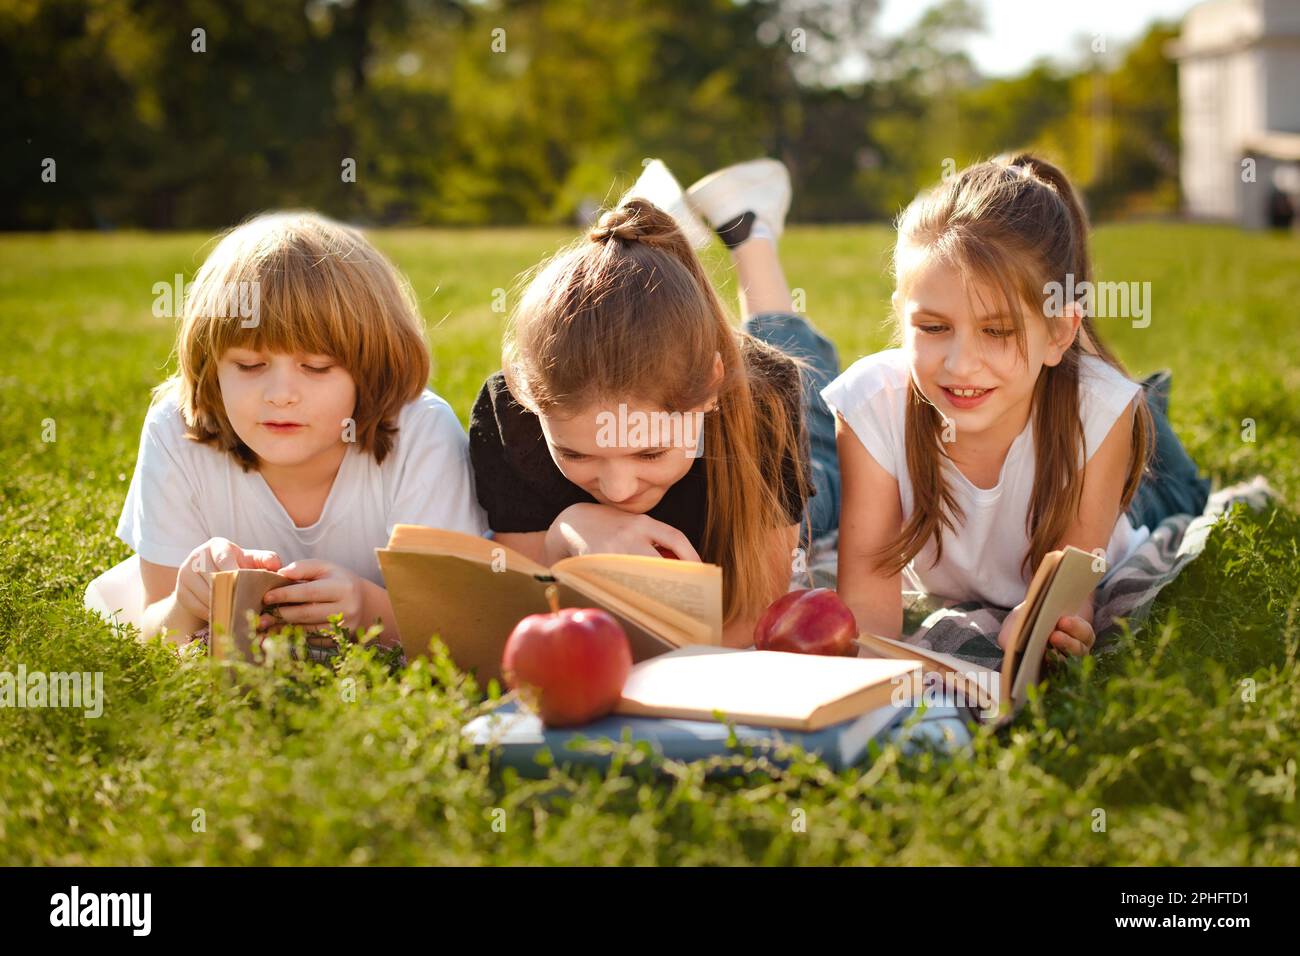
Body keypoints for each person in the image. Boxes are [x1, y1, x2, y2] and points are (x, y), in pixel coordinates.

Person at [824, 154, 1210, 660]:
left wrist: (1046, 624)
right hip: (1052, 398)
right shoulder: (870, 404)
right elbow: (870, 597)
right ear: (901, 314)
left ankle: (1151, 398)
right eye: (934, 328)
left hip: (1120, 480)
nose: (961, 365)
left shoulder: (1101, 411)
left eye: (997, 331)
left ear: (1059, 335)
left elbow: (1069, 593)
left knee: (1168, 476)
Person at [468, 159, 843, 647]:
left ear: (710, 386)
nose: (619, 489)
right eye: (576, 453)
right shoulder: (513, 416)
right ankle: (651, 261)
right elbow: (522, 600)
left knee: (811, 422)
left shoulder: (761, 399)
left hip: (759, 411)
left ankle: (748, 229)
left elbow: (748, 623)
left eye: (649, 453)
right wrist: (565, 532)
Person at [116, 210, 487, 649]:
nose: (281, 394)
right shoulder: (175, 431)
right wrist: (187, 603)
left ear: (372, 369)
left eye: (315, 367)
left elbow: (462, 625)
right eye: (250, 365)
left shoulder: (420, 434)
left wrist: (367, 611)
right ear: (209, 363)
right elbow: (151, 625)